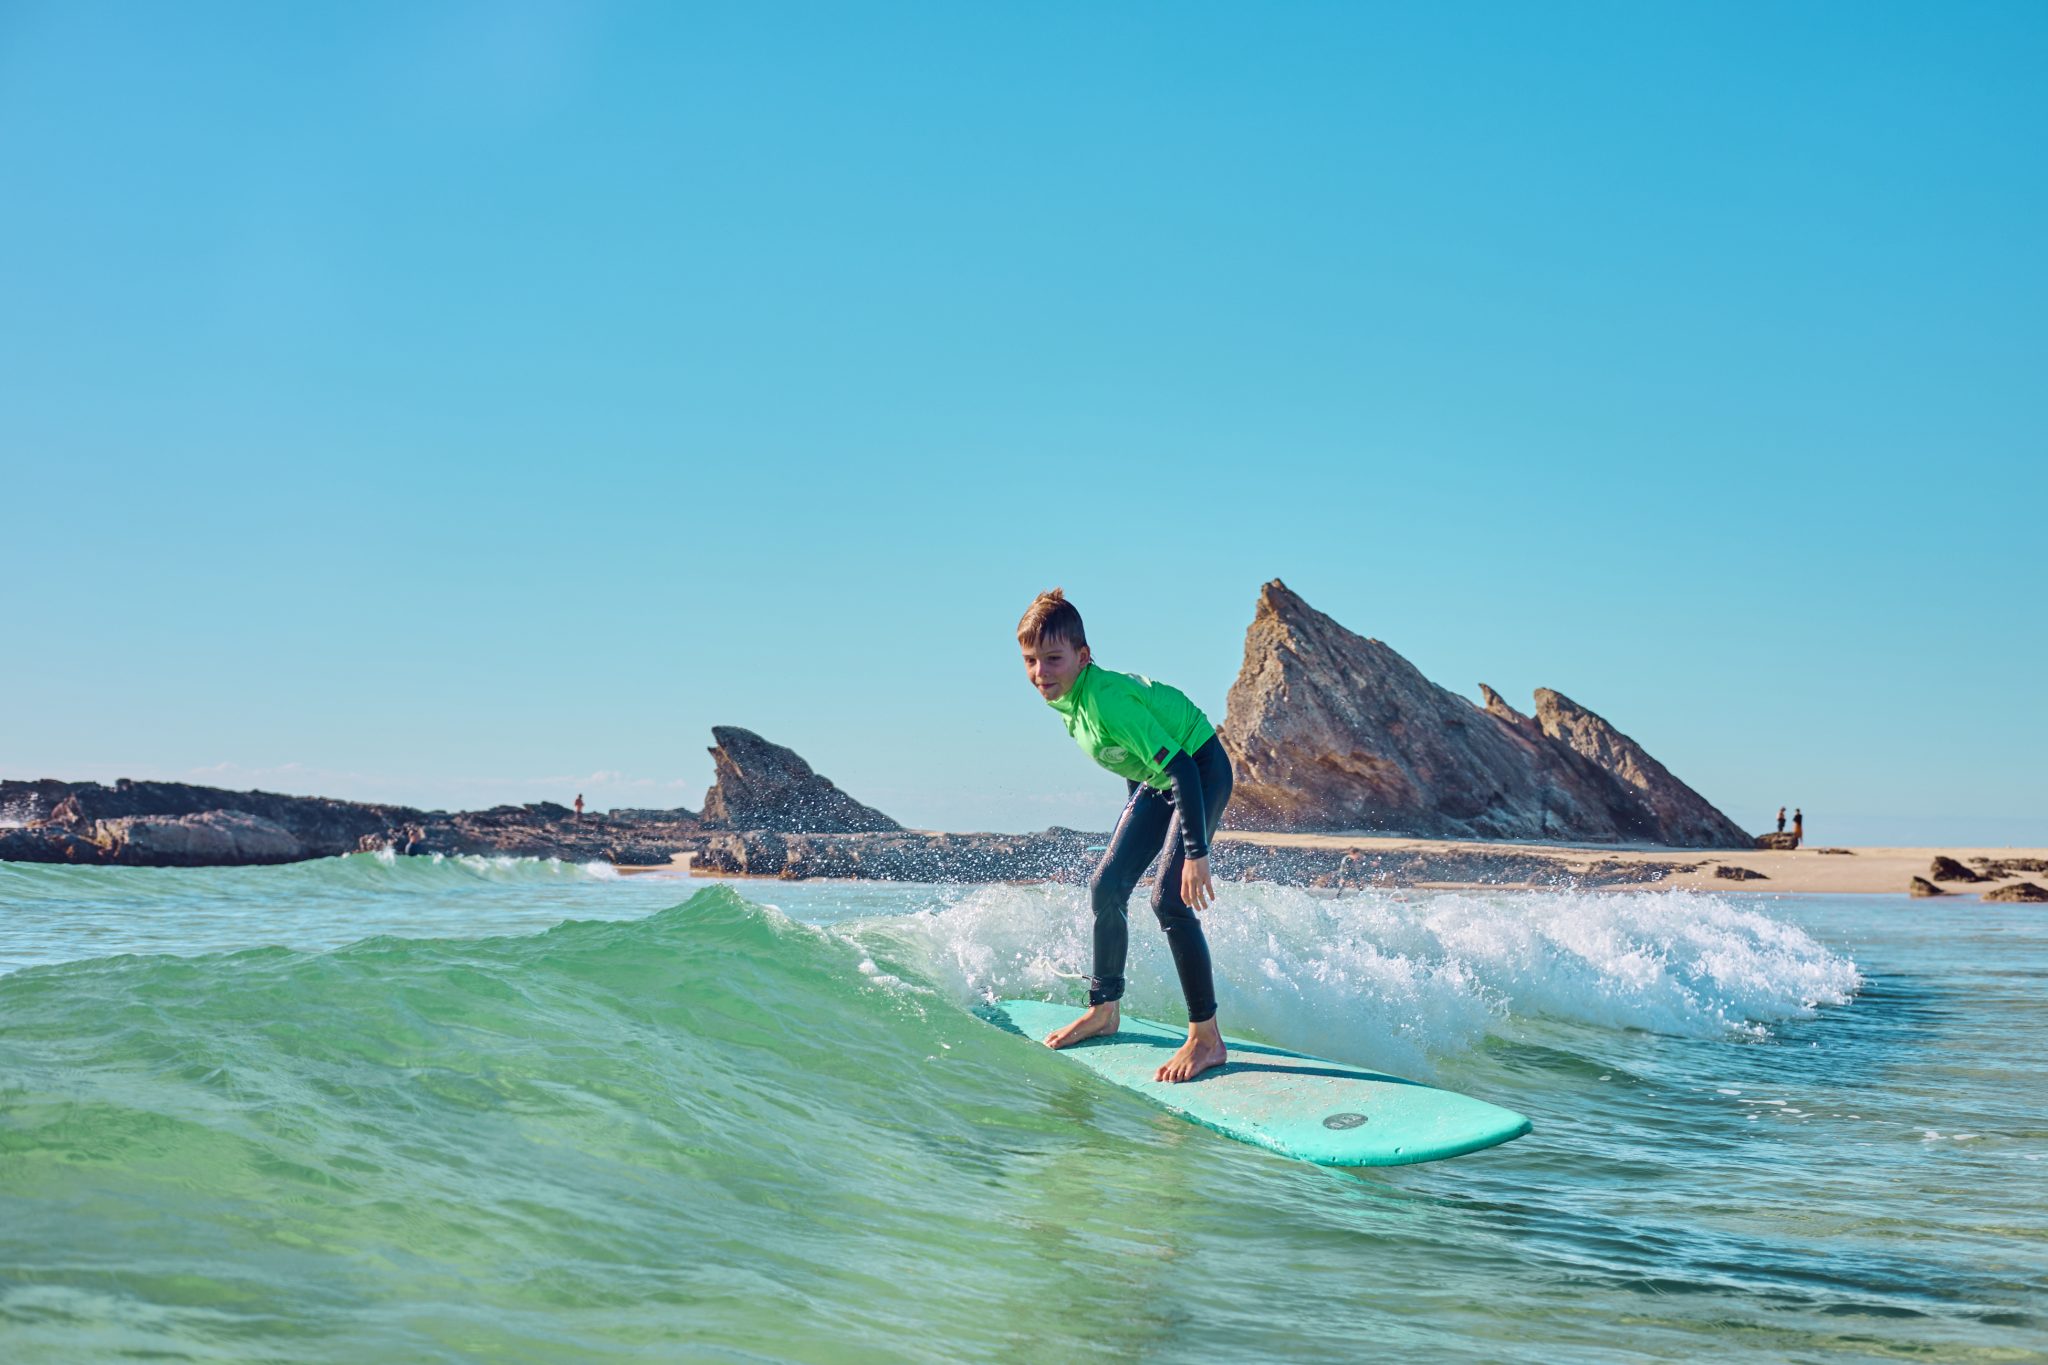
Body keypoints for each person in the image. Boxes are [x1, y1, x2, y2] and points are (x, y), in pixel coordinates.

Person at [1018, 588, 1234, 1084]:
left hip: (1198, 770)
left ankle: (1207, 1039)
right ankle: (1105, 1010)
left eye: (1052, 659)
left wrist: (1196, 853)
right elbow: (1132, 756)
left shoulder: (1105, 701)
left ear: (1082, 656)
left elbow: (1180, 765)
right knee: (1107, 886)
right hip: (1159, 782)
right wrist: (1135, 819)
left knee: (1170, 901)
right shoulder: (1068, 698)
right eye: (1031, 661)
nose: (1040, 673)